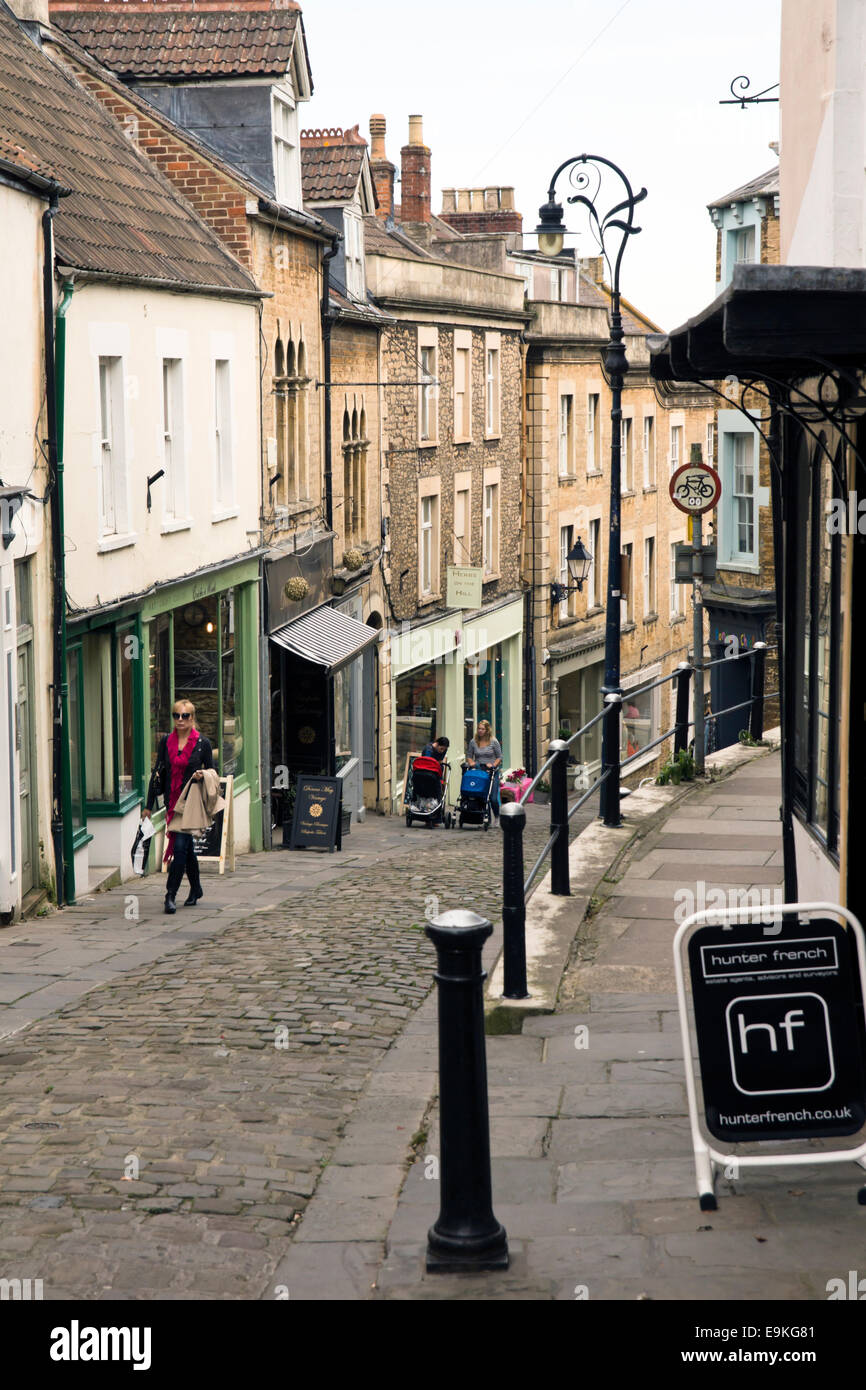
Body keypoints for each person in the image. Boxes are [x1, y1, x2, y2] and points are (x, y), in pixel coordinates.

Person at [142, 698, 214, 914]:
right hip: (172, 803)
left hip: (190, 804)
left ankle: (170, 894)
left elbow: (213, 771)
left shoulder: (203, 743)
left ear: (192, 718)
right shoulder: (166, 741)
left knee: (180, 847)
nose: (180, 720)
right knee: (188, 849)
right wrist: (149, 805)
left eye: (185, 716)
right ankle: (196, 888)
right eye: (176, 715)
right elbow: (158, 772)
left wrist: (203, 775)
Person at [465, 719, 503, 819]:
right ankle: (487, 818)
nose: (480, 731)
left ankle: (497, 816)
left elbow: (499, 757)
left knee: (493, 798)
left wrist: (493, 765)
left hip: (491, 771)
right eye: (478, 728)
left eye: (482, 729)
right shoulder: (473, 742)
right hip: (479, 771)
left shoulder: (494, 741)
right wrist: (471, 762)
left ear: (487, 730)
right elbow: (469, 755)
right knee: (482, 796)